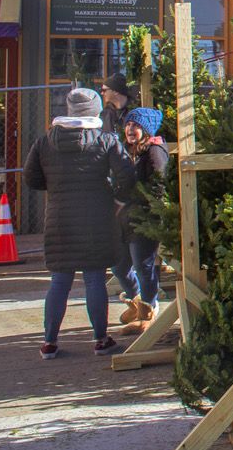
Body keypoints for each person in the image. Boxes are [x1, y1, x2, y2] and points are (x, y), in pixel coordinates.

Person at [25, 87, 136, 359]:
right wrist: (115, 197)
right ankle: (100, 339)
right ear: (95, 110)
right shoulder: (105, 140)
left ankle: (49, 342)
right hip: (96, 218)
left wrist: (55, 187)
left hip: (58, 218)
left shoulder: (45, 141)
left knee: (59, 281)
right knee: (94, 278)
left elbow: (31, 178)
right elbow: (127, 176)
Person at [113, 108, 168, 332]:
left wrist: (141, 204)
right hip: (124, 219)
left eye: (136, 126)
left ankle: (149, 310)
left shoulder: (154, 151)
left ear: (146, 129)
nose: (130, 129)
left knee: (143, 266)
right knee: (119, 266)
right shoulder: (127, 151)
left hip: (144, 219)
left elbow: (157, 185)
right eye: (128, 125)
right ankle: (137, 303)